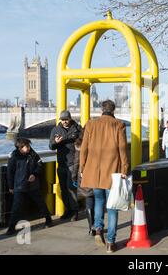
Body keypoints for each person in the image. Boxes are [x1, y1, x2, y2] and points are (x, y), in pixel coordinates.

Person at [80, 100, 129, 253]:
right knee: (113, 206)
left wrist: (83, 168)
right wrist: (125, 169)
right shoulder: (118, 125)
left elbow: (84, 149)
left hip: (94, 171)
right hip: (112, 171)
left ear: (101, 109)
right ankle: (110, 243)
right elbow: (122, 149)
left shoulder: (91, 124)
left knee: (98, 201)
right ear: (114, 110)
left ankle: (98, 229)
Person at [6, 137, 52, 235]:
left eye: (29, 145)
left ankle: (48, 220)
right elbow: (10, 172)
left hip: (32, 184)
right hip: (19, 185)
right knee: (16, 207)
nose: (29, 147)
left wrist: (34, 174)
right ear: (20, 148)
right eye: (26, 146)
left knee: (40, 202)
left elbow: (39, 165)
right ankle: (11, 227)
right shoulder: (14, 156)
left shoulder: (33, 154)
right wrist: (10, 186)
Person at [49, 110, 82, 221]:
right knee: (63, 188)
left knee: (71, 188)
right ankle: (68, 210)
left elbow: (81, 141)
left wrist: (68, 140)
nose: (64, 122)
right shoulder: (55, 130)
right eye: (62, 120)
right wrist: (56, 142)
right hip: (62, 163)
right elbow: (51, 146)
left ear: (70, 118)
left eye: (66, 120)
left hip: (73, 163)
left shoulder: (77, 128)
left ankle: (75, 211)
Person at [71, 131, 96, 236]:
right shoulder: (95, 143)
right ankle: (98, 225)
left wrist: (74, 178)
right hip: (97, 175)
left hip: (84, 176)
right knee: (99, 201)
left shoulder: (79, 145)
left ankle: (92, 228)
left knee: (89, 202)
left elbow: (76, 163)